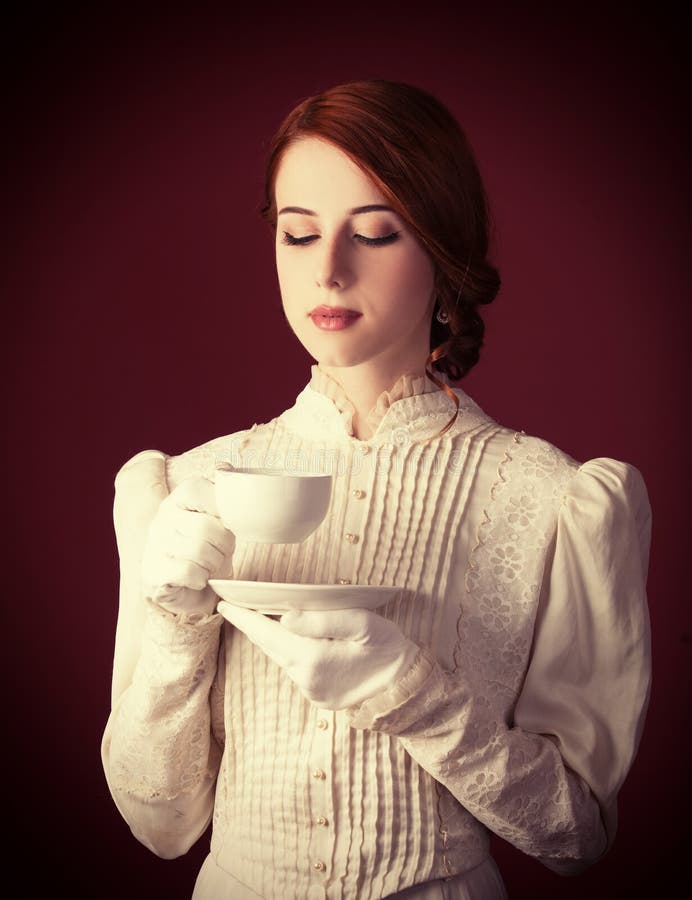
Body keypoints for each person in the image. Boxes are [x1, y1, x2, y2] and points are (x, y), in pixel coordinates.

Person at [101, 79, 652, 900]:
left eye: (376, 233)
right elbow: (160, 826)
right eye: (298, 233)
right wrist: (175, 624)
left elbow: (575, 836)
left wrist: (415, 696)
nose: (327, 269)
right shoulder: (186, 488)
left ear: (443, 249)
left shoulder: (556, 500)